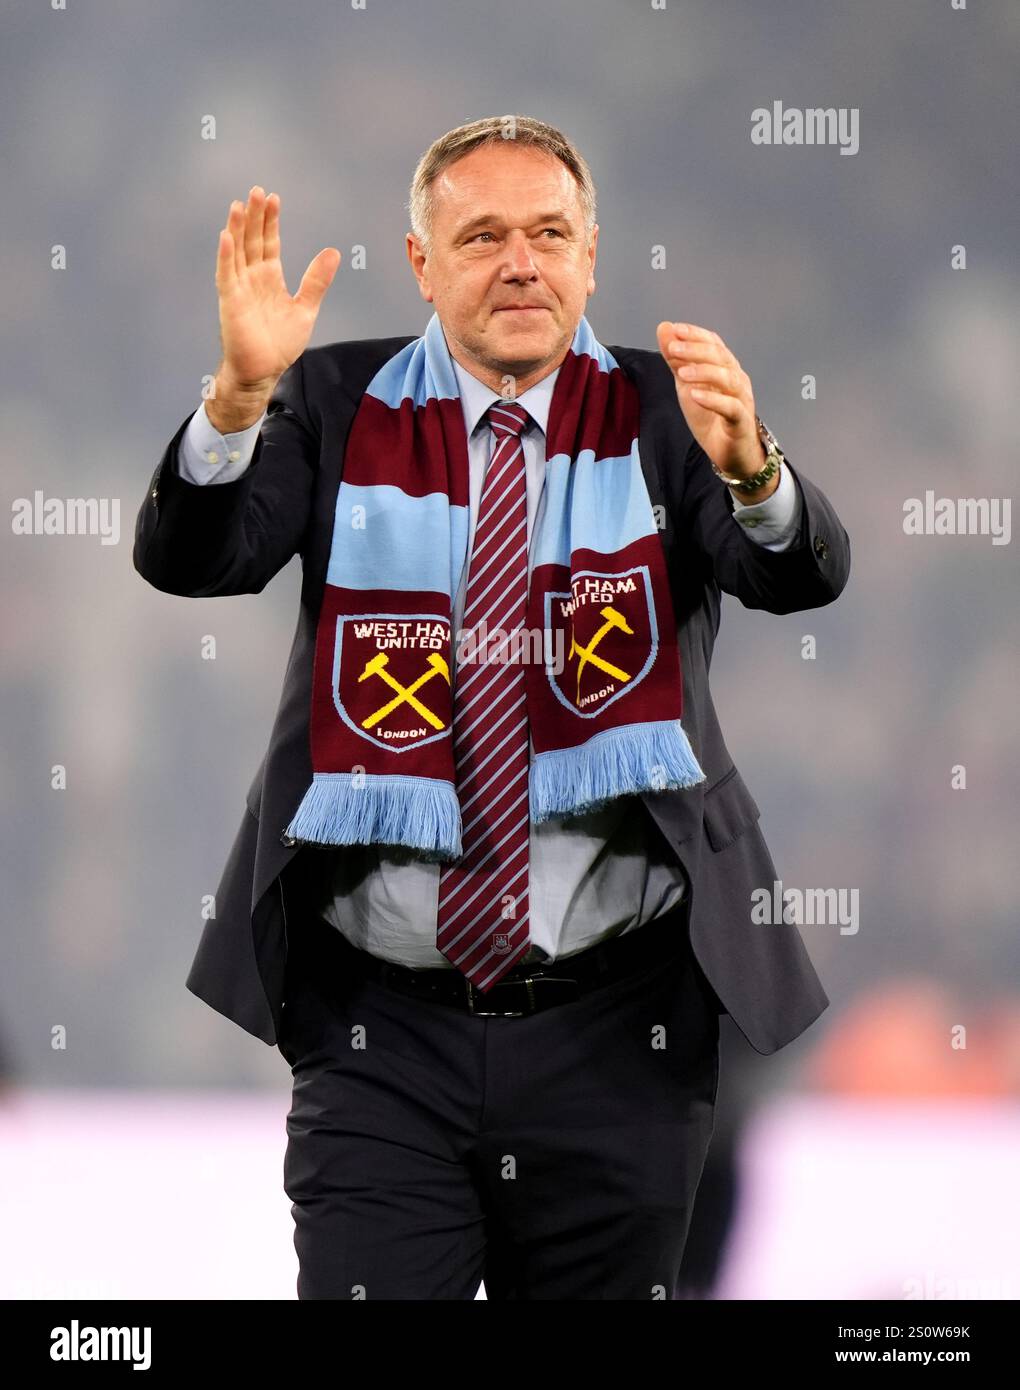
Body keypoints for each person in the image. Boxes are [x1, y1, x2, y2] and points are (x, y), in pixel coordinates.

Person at [133, 114, 850, 1300]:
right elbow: (195, 558)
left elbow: (797, 573)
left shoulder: (667, 413)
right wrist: (234, 402)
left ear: (592, 254)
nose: (522, 261)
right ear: (421, 264)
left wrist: (755, 470)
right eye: (482, 237)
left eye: (549, 233)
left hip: (620, 1032)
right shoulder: (332, 398)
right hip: (382, 1033)